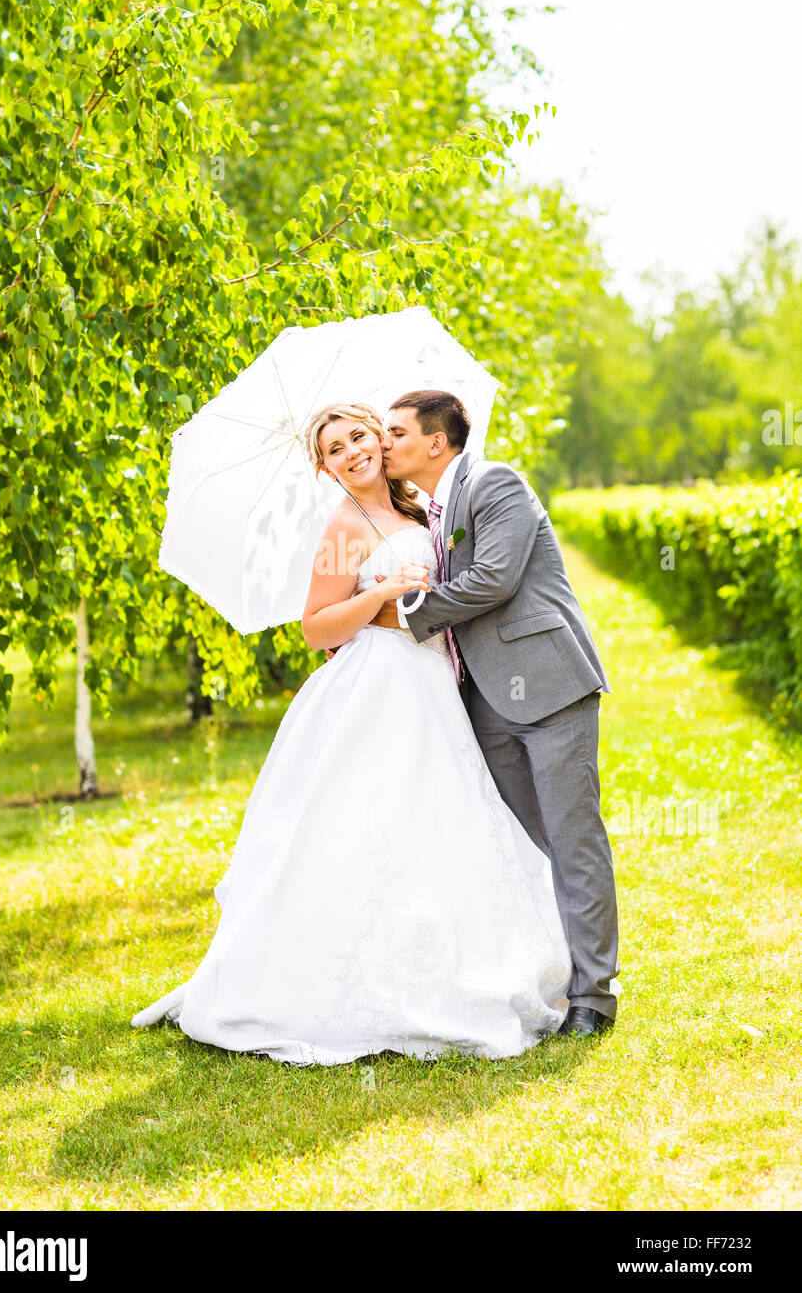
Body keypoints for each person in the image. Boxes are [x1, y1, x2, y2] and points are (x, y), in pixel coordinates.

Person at [130, 401, 572, 1065]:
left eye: (362, 436)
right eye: (336, 449)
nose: (354, 452)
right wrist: (379, 594)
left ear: (381, 441)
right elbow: (317, 628)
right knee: (370, 825)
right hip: (378, 689)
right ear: (326, 467)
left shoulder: (419, 511)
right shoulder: (343, 526)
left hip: (431, 687)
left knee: (441, 823)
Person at [378, 390, 620, 1037]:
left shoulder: (495, 482)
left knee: (572, 838)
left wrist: (406, 614)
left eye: (396, 432)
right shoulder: (428, 509)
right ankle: (547, 971)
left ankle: (595, 995)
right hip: (481, 699)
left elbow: (494, 578)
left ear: (437, 441)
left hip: (546, 686)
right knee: (521, 842)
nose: (384, 444)